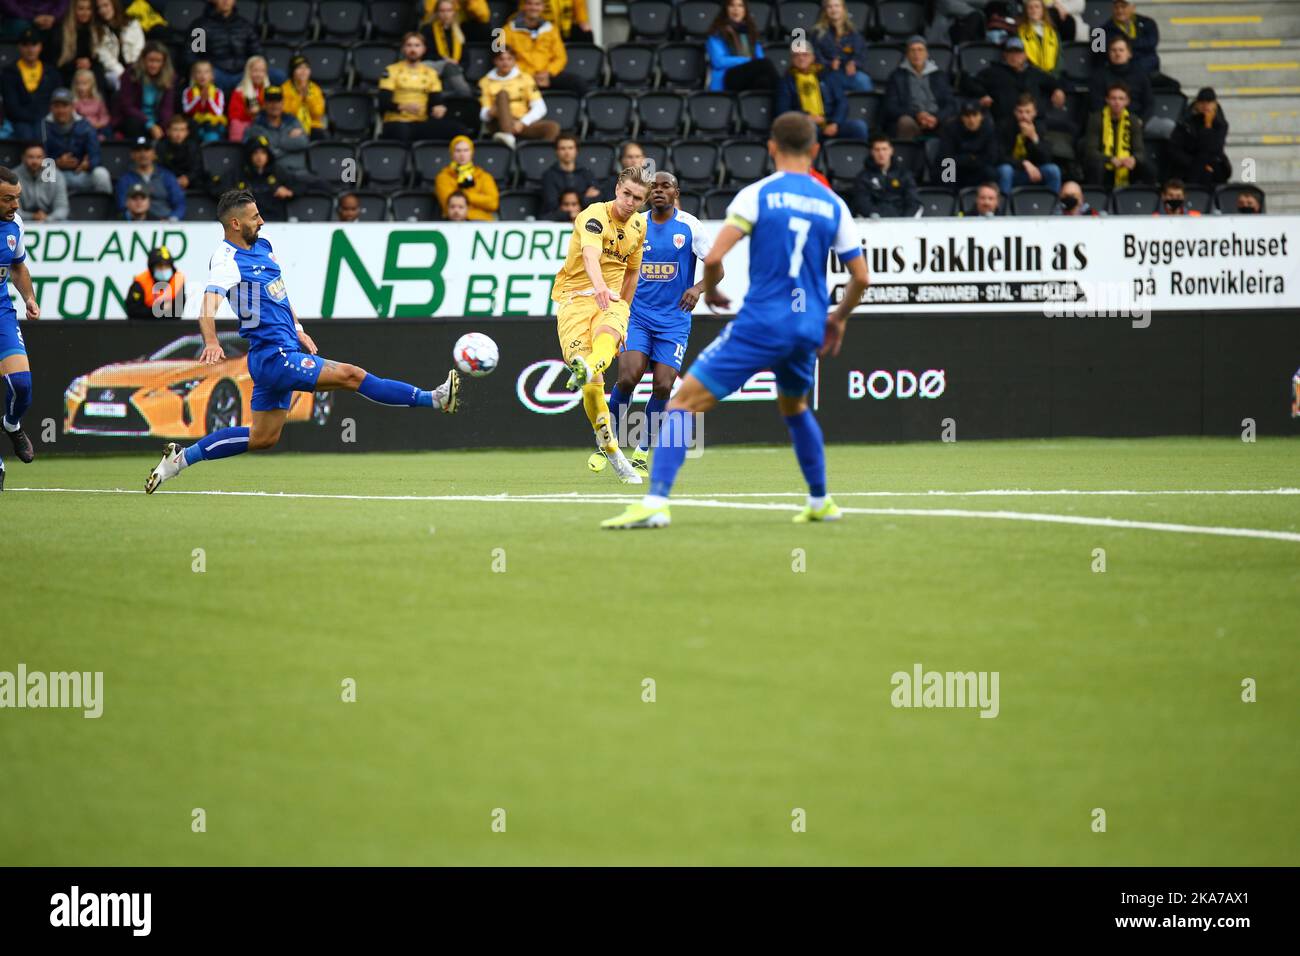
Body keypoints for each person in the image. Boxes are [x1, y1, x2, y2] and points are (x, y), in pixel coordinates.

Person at [602, 113, 869, 530]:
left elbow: (715, 257)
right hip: (808, 325)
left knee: (681, 404)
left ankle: (655, 502)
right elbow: (862, 277)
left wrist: (711, 288)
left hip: (762, 323)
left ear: (771, 148)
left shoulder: (757, 196)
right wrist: (839, 318)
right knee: (795, 407)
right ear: (815, 150)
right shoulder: (832, 202)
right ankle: (820, 500)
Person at [145, 188, 460, 494]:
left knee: (263, 437)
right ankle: (433, 398)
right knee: (352, 375)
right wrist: (211, 342)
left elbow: (279, 293)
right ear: (236, 224)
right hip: (274, 355)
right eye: (255, 217)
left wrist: (297, 327)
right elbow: (208, 306)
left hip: (276, 352)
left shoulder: (264, 246)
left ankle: (180, 460)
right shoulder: (227, 260)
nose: (262, 221)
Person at [604, 171, 714, 476]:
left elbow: (717, 268)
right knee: (628, 377)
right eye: (654, 187)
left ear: (676, 192)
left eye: (666, 186)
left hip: (674, 321)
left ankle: (641, 449)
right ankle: (607, 440)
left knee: (664, 385)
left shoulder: (690, 226)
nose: (659, 191)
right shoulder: (635, 224)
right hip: (637, 315)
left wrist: (697, 289)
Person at [551, 167, 649, 484]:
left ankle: (586, 365)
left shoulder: (639, 225)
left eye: (638, 198)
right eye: (627, 194)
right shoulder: (593, 215)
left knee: (607, 339)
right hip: (574, 300)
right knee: (593, 385)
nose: (631, 202)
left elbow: (633, 272)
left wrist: (623, 305)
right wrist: (599, 288)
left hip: (613, 302)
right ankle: (613, 451)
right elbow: (591, 256)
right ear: (617, 188)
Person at [0, 165, 40, 492]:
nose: (15, 205)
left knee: (22, 385)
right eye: (8, 199)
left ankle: (11, 425)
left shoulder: (15, 225)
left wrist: (29, 297)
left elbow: (17, 266)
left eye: (18, 198)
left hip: (2, 311)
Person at [379, 32, 466, 145]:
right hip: (397, 121)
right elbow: (383, 102)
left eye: (417, 45)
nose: (413, 49)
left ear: (424, 49)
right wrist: (403, 106)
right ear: (403, 49)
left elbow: (436, 101)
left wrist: (439, 109)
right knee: (402, 132)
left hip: (420, 121)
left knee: (458, 130)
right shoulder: (391, 70)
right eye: (409, 45)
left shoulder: (431, 73)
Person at [776, 45, 869, 142]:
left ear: (813, 57)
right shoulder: (786, 82)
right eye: (796, 55)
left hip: (830, 122)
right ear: (792, 59)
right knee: (810, 129)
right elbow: (783, 111)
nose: (801, 58)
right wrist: (806, 117)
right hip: (804, 125)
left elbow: (842, 102)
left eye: (805, 55)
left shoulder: (827, 76)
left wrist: (835, 123)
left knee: (859, 127)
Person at [968, 36, 1065, 128]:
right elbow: (969, 82)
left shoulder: (1034, 72)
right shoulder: (993, 72)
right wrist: (982, 94)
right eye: (1010, 53)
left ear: (1025, 55)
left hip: (1033, 122)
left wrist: (1058, 89)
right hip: (1005, 123)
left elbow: (1053, 81)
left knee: (1068, 128)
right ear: (1005, 55)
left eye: (1018, 53)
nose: (1014, 57)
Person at [478, 46, 560, 148]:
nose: (505, 63)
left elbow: (540, 107)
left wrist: (522, 122)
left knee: (552, 127)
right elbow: (483, 114)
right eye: (501, 59)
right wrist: (491, 112)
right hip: (498, 124)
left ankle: (541, 155)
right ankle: (507, 134)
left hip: (521, 123)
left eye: (509, 59)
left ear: (514, 61)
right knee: (502, 94)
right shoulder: (485, 81)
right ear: (495, 61)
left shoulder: (525, 78)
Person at [503, 0, 587, 95]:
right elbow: (501, 58)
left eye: (537, 4)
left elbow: (561, 57)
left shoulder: (551, 29)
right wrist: (529, 74)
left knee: (578, 82)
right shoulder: (507, 30)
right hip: (521, 76)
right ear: (523, 6)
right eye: (529, 4)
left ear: (543, 7)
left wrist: (548, 73)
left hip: (547, 74)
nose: (533, 8)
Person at [883, 36, 956, 140]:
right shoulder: (897, 76)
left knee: (953, 122)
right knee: (905, 122)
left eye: (920, 50)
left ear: (926, 54)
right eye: (912, 50)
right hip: (912, 119)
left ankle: (948, 157)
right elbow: (891, 107)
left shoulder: (939, 75)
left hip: (936, 120)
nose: (916, 54)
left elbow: (950, 104)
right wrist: (917, 115)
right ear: (907, 55)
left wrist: (936, 118)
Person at [43, 87, 113, 194]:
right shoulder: (42, 126)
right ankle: (52, 210)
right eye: (57, 106)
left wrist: (88, 164)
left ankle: (104, 208)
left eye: (64, 106)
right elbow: (37, 157)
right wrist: (56, 163)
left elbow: (96, 156)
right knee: (47, 173)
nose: (61, 110)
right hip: (57, 173)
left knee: (101, 174)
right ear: (51, 108)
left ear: (72, 107)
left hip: (81, 173)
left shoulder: (85, 125)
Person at [190, 0, 270, 94]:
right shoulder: (201, 26)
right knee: (205, 74)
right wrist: (205, 71)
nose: (226, 1)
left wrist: (255, 67)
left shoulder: (245, 25)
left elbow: (258, 52)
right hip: (216, 72)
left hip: (242, 72)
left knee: (278, 76)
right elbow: (192, 55)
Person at [1083, 82, 1152, 189]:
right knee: (1096, 166)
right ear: (1107, 100)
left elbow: (1140, 150)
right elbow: (1091, 151)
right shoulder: (1096, 119)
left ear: (1127, 101)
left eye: (1121, 99)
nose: (1117, 102)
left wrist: (1134, 159)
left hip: (1125, 164)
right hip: (1105, 163)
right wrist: (1110, 159)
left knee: (1147, 167)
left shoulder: (1133, 120)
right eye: (1113, 98)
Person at [996, 94, 1062, 196]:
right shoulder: (1005, 126)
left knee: (1053, 170)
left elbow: (1047, 158)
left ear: (1035, 113)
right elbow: (999, 156)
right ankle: (1003, 209)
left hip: (1035, 172)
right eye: (1020, 112)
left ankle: (1051, 209)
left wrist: (1034, 138)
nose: (1024, 116)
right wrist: (1024, 163)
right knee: (1005, 170)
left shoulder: (1040, 128)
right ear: (1015, 112)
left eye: (1028, 112)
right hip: (1013, 171)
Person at [707, 0, 779, 93]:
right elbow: (718, 61)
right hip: (728, 77)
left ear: (745, 11)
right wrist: (745, 60)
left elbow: (760, 58)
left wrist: (751, 62)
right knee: (766, 64)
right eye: (732, 6)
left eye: (740, 6)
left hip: (747, 77)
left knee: (764, 81)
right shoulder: (717, 34)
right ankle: (788, 96)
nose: (736, 9)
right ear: (726, 10)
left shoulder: (751, 33)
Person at [1, 29, 61, 140]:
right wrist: (33, 117)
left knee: (45, 132)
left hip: (45, 120)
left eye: (34, 44)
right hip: (20, 121)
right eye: (25, 45)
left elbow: (56, 99)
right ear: (19, 47)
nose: (30, 49)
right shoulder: (9, 72)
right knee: (27, 135)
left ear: (40, 47)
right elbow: (11, 104)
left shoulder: (51, 72)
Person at [111, 38, 175, 140]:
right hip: (135, 118)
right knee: (134, 123)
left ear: (164, 63)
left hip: (157, 121)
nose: (154, 65)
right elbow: (127, 106)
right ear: (143, 60)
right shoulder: (130, 74)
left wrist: (165, 127)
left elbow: (167, 108)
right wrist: (150, 125)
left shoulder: (169, 77)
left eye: (158, 61)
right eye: (151, 60)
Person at [1166, 87, 1230, 187]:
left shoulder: (1220, 125)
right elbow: (1174, 149)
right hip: (1188, 165)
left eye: (1209, 102)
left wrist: (1208, 125)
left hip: (1211, 165)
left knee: (1212, 173)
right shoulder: (1185, 123)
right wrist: (1197, 165)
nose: (1206, 106)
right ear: (1196, 104)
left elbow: (1214, 148)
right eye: (1202, 102)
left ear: (1215, 104)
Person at [850, 134, 921, 218]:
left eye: (884, 149)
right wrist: (876, 217)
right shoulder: (863, 177)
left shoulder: (904, 175)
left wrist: (904, 220)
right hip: (875, 223)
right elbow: (862, 202)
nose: (881, 153)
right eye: (877, 150)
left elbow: (913, 200)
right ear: (872, 152)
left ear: (891, 151)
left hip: (902, 222)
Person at [245, 85, 309, 174]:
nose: (274, 105)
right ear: (264, 104)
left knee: (321, 185)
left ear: (282, 103)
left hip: (300, 172)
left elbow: (304, 142)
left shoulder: (292, 121)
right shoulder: (257, 125)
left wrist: (278, 143)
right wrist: (289, 142)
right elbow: (267, 153)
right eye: (271, 102)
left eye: (277, 101)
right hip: (274, 174)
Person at [116, 135, 184, 218]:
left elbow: (179, 204)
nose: (143, 154)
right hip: (137, 224)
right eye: (138, 150)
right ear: (132, 155)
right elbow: (122, 207)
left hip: (164, 223)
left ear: (153, 153)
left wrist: (172, 220)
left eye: (147, 150)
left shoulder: (166, 176)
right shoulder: (125, 180)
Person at [812, 0, 872, 93]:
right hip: (827, 74)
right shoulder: (818, 33)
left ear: (843, 9)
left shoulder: (853, 32)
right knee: (822, 85)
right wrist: (829, 64)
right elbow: (814, 57)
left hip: (848, 74)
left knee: (864, 80)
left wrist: (854, 63)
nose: (833, 9)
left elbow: (861, 54)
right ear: (825, 11)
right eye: (829, 7)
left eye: (837, 6)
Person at [1089, 34, 1151, 123]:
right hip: (1107, 122)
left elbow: (1149, 103)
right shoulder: (1099, 76)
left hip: (1137, 121)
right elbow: (1096, 104)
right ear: (1109, 53)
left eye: (1121, 50)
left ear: (1129, 54)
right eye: (1113, 50)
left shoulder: (1140, 75)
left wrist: (1141, 120)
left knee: (1166, 126)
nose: (1117, 54)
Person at [936, 103, 1000, 188]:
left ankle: (986, 198)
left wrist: (968, 160)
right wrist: (970, 158)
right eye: (967, 116)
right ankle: (949, 199)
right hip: (957, 169)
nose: (971, 120)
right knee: (947, 171)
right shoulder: (950, 128)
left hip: (978, 168)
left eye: (975, 115)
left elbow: (991, 157)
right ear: (962, 117)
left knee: (991, 173)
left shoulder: (988, 129)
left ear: (981, 116)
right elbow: (946, 158)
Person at [434, 135, 498, 221]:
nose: (462, 154)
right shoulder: (443, 177)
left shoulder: (484, 176)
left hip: (482, 222)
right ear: (452, 153)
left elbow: (493, 204)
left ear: (472, 152)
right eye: (458, 151)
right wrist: (479, 201)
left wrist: (465, 196)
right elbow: (450, 205)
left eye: (466, 150)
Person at [419, 0, 473, 97]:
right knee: (449, 66)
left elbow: (466, 59)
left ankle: (444, 96)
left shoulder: (459, 31)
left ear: (454, 13)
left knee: (452, 69)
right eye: (442, 11)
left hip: (454, 70)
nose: (445, 14)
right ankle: (465, 94)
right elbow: (425, 54)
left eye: (449, 10)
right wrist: (445, 60)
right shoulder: (427, 29)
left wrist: (458, 66)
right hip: (432, 66)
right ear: (437, 13)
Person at [540, 133, 600, 218]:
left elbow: (597, 200)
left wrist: (567, 203)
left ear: (576, 150)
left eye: (570, 148)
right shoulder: (548, 176)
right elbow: (551, 205)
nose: (567, 152)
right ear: (556, 151)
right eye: (562, 148)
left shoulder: (587, 173)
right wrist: (584, 198)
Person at [92, 0, 145, 91]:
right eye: (99, 8)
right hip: (113, 72)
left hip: (134, 67)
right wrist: (122, 73)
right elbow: (105, 58)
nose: (103, 10)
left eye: (106, 5)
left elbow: (139, 48)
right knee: (121, 84)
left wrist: (133, 69)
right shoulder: (97, 30)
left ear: (114, 5)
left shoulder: (132, 23)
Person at [124, 244, 185, 318]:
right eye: (159, 266)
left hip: (170, 327)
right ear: (152, 268)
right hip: (144, 327)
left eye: (167, 266)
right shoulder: (140, 283)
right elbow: (132, 311)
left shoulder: (177, 281)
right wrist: (159, 309)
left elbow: (177, 312)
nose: (163, 269)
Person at [1103, 0, 1160, 77]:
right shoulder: (1102, 30)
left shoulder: (1148, 23)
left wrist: (1125, 44)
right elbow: (1100, 53)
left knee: (1173, 85)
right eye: (1116, 7)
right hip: (1119, 73)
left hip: (1148, 70)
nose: (1120, 10)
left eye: (1123, 6)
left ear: (1133, 8)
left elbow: (1151, 43)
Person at [15, 141, 69, 222]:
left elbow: (62, 207)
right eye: (30, 157)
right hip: (23, 221)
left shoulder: (57, 176)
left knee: (66, 222)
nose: (35, 161)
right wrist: (32, 217)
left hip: (51, 220)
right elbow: (13, 210)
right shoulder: (13, 177)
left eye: (39, 157)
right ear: (23, 158)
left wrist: (47, 218)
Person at [280, 55, 326, 141]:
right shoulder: (285, 88)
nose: (303, 71)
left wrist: (308, 98)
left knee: (320, 135)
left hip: (313, 125)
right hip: (291, 126)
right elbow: (286, 113)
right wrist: (299, 97)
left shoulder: (315, 88)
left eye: (306, 68)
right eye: (299, 68)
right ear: (292, 71)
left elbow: (318, 113)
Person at [181, 59, 227, 143]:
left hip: (212, 124)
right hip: (194, 123)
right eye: (199, 72)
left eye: (206, 72)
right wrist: (199, 98)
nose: (202, 75)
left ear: (212, 76)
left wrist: (208, 99)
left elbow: (218, 112)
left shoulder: (218, 92)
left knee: (212, 133)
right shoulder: (188, 91)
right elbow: (187, 110)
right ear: (193, 76)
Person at [227, 54, 268, 143]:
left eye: (262, 71)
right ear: (248, 72)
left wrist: (260, 110)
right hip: (244, 125)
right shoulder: (239, 91)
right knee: (236, 124)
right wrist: (248, 112)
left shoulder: (269, 91)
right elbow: (233, 115)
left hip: (264, 126)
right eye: (255, 71)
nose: (258, 74)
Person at [156, 113, 202, 190]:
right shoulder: (161, 146)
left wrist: (188, 178)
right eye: (175, 130)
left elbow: (197, 168)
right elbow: (159, 168)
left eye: (182, 130)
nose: (179, 134)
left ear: (187, 132)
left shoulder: (193, 146)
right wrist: (173, 180)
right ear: (168, 131)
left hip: (190, 182)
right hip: (168, 183)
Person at [1017, 0, 1061, 75]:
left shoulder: (1053, 32)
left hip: (1052, 76)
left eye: (1037, 7)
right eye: (1030, 8)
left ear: (1043, 10)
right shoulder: (1019, 32)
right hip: (1031, 76)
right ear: (1026, 11)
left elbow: (1059, 57)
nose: (1034, 10)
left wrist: (1055, 75)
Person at [419, 0, 489, 43]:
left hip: (460, 25)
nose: (446, 13)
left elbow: (483, 15)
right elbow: (430, 12)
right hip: (436, 25)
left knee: (485, 29)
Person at [71, 67, 112, 138]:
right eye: (78, 84)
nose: (80, 87)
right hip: (82, 127)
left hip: (98, 126)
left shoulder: (98, 100)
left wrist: (99, 124)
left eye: (84, 84)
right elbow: (74, 117)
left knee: (107, 129)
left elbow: (104, 115)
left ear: (91, 85)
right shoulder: (74, 101)